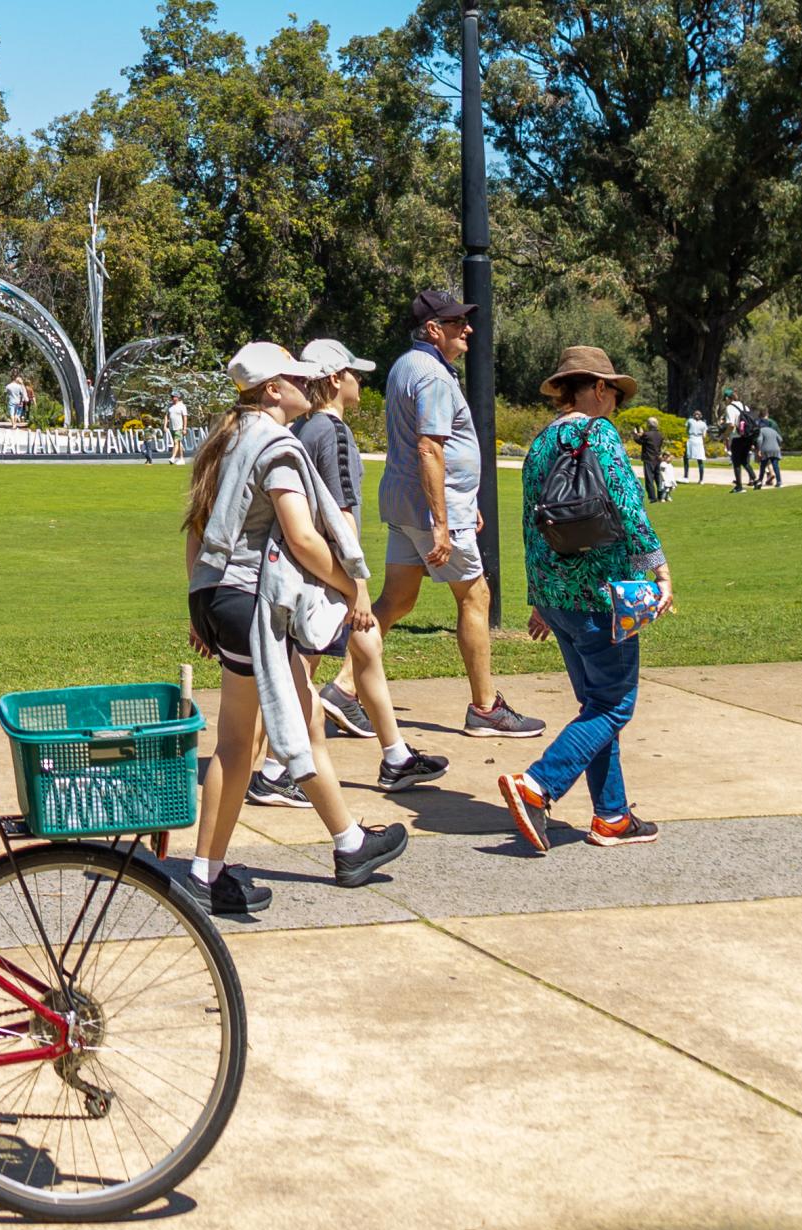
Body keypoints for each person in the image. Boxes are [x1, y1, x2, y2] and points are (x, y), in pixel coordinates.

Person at [187, 342, 413, 916]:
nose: (305, 386)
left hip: (221, 599)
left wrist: (199, 603)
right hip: (250, 603)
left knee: (258, 735)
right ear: (272, 390)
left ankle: (209, 871)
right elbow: (304, 537)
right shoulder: (275, 446)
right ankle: (347, 846)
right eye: (295, 378)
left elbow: (197, 530)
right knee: (283, 727)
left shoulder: (224, 440)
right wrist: (351, 585)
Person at [497, 348, 675, 855]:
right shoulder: (597, 434)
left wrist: (538, 599)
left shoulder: (539, 443)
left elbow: (534, 525)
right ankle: (538, 785)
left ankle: (612, 817)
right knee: (614, 704)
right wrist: (657, 566)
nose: (616, 402)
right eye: (614, 392)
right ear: (596, 388)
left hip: (556, 598)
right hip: (603, 595)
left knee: (594, 706)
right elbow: (626, 501)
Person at [373, 289, 545, 738]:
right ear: (433, 329)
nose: (466, 329)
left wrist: (461, 505)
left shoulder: (406, 365)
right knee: (475, 597)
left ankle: (345, 690)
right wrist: (445, 521)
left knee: (396, 601)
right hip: (431, 511)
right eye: (456, 323)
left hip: (405, 504)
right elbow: (430, 447)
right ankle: (485, 709)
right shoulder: (431, 375)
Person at [286, 336, 452, 796]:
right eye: (354, 374)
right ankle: (277, 770)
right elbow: (341, 516)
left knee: (366, 651)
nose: (360, 382)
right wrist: (357, 586)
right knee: (300, 669)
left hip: (316, 570)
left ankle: (395, 756)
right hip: (330, 574)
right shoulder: (332, 432)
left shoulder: (303, 429)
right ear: (336, 380)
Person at [723, 391, 753, 490]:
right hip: (748, 436)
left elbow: (731, 425)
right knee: (744, 460)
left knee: (736, 462)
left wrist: (725, 435)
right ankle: (755, 479)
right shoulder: (745, 406)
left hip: (737, 437)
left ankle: (739, 486)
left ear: (728, 398)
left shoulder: (730, 408)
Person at [636, 414, 665, 500]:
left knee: (649, 479)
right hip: (657, 458)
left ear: (649, 424)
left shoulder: (647, 434)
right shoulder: (660, 434)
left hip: (649, 458)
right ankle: (661, 495)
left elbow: (640, 441)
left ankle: (652, 497)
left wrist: (636, 435)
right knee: (658, 477)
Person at [754, 412, 784, 489]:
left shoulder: (761, 430)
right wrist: (778, 446)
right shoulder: (773, 431)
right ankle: (779, 482)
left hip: (766, 450)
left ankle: (760, 481)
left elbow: (759, 440)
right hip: (775, 450)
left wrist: (759, 450)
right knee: (775, 466)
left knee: (763, 466)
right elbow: (780, 439)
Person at [684, 407, 710, 486]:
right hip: (697, 440)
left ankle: (687, 476)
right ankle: (699, 479)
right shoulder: (703, 423)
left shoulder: (690, 421)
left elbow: (686, 430)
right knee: (698, 460)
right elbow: (704, 435)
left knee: (688, 458)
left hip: (693, 439)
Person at [166, 389, 190, 466]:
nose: (173, 398)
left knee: (176, 442)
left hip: (179, 427)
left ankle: (172, 457)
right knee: (178, 443)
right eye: (172, 396)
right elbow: (167, 415)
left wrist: (184, 428)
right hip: (172, 427)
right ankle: (181, 459)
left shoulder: (182, 406)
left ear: (178, 397)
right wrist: (165, 425)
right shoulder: (170, 406)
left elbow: (185, 417)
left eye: (174, 396)